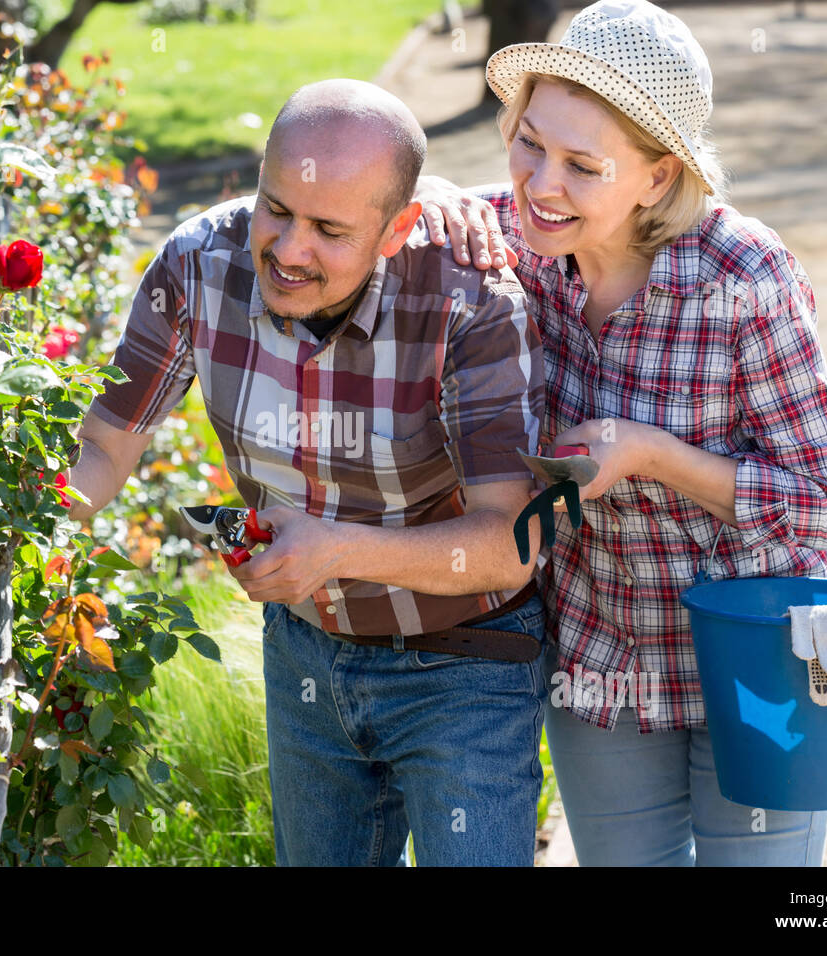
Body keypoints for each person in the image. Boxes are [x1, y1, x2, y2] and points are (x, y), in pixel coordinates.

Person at [417, 0, 827, 865]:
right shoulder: (515, 240)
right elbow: (377, 203)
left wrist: (653, 455)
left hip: (757, 657)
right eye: (529, 142)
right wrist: (428, 190)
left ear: (657, 177)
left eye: (584, 165)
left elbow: (825, 504)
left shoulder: (743, 276)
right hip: (603, 661)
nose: (542, 184)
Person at [68, 79, 552, 866]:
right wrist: (24, 517)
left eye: (329, 230)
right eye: (277, 209)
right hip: (307, 654)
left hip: (467, 663)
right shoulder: (196, 266)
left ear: (397, 230)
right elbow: (106, 448)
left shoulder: (469, 302)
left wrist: (336, 549)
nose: (290, 250)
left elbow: (510, 543)